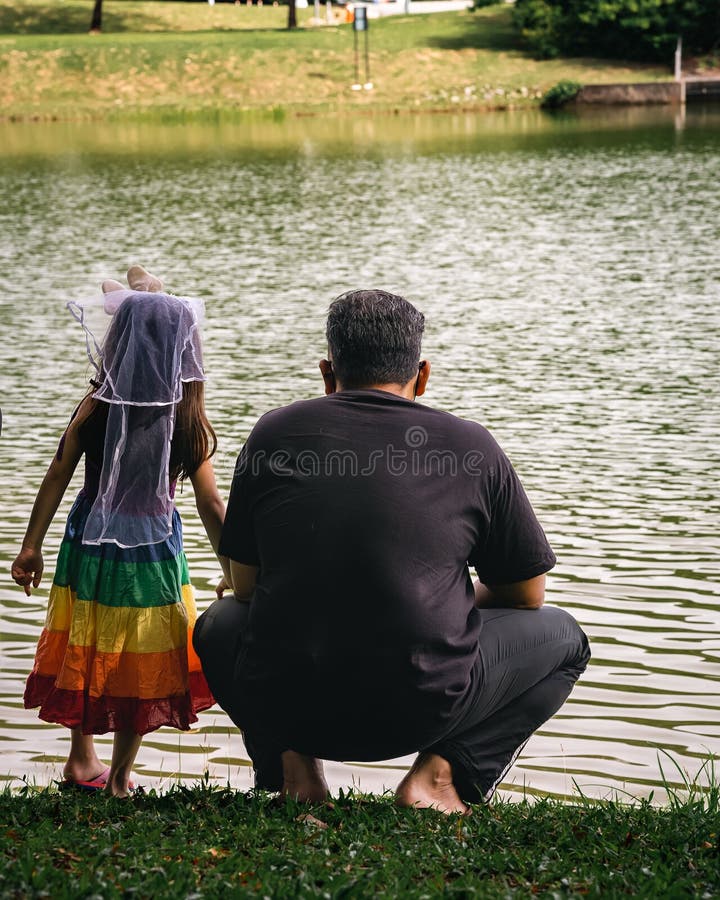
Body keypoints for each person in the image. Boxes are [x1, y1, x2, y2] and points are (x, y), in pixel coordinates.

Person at [194, 289, 590, 814]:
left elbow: (244, 587)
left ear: (326, 373)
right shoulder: (472, 446)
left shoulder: (274, 433)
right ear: (422, 376)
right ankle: (440, 777)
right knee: (565, 639)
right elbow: (526, 594)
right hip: (426, 707)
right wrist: (441, 593)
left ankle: (295, 771)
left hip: (291, 704)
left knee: (218, 624)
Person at [12, 267, 230, 798]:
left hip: (90, 540)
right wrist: (233, 570)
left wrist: (30, 546)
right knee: (143, 652)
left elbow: (58, 471)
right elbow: (208, 502)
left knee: (86, 638)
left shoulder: (97, 404)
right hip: (152, 550)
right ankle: (121, 777)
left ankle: (81, 759)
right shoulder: (186, 417)